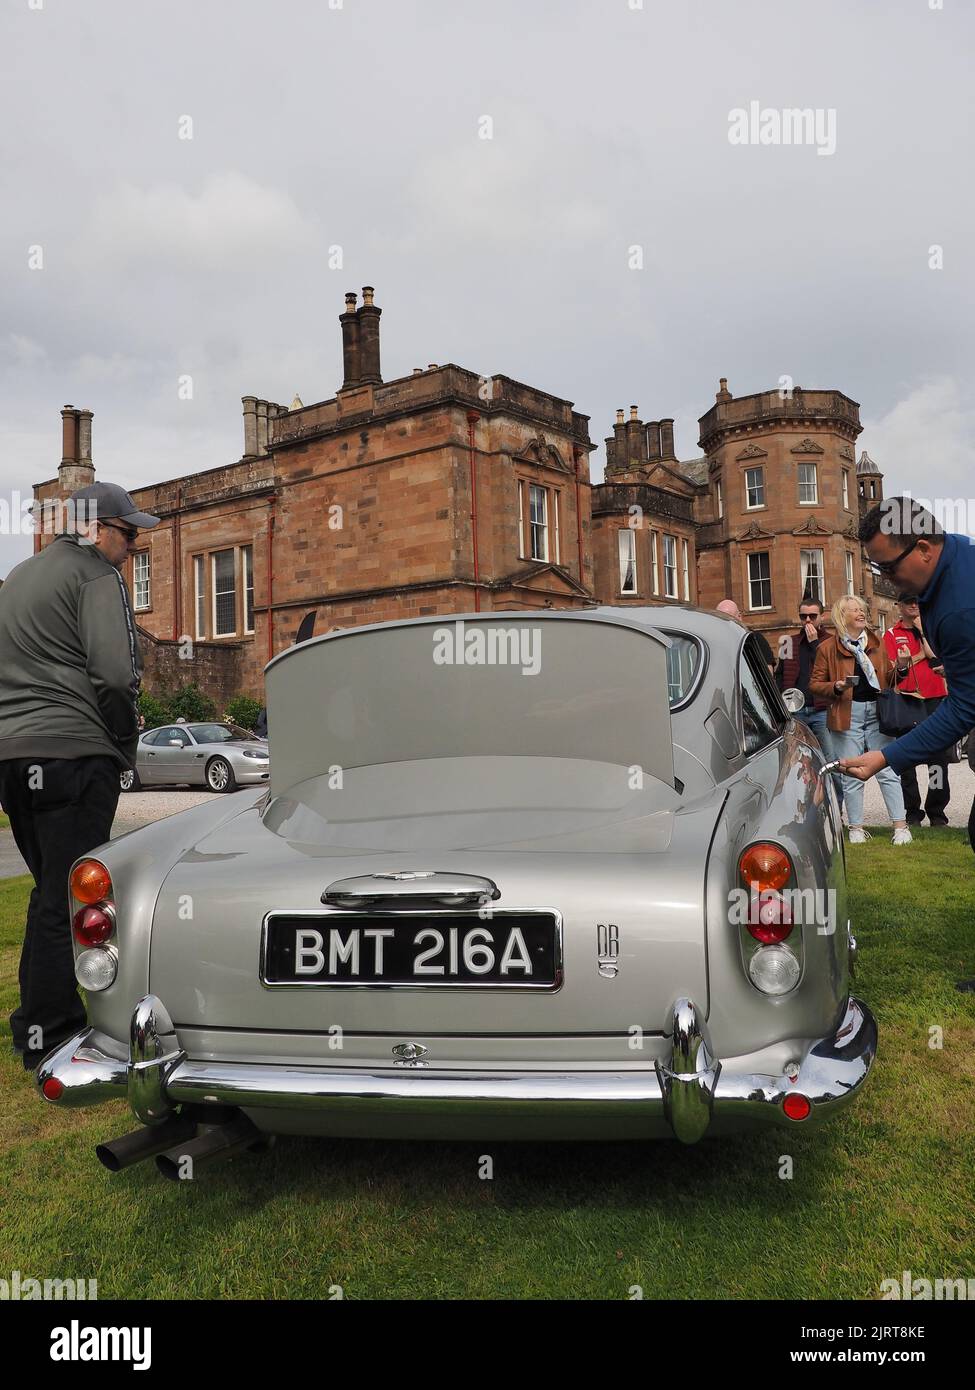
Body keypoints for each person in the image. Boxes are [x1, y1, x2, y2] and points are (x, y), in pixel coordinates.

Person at [0, 481, 159, 1069]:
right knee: (70, 897)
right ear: (96, 530)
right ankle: (51, 1030)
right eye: (128, 532)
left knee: (49, 892)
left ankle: (38, 1023)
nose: (133, 545)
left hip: (15, 757)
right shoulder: (95, 575)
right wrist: (122, 740)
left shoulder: (19, 576)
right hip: (71, 751)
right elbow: (115, 675)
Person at [841, 497, 975, 990]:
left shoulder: (959, 605)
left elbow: (964, 710)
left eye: (888, 567)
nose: (885, 579)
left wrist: (885, 757)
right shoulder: (956, 560)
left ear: (922, 547)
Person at [809, 595, 912, 845]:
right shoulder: (827, 648)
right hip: (847, 713)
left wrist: (900, 666)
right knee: (852, 772)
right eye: (854, 610)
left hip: (879, 711)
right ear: (842, 617)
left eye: (862, 609)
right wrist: (837, 685)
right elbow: (814, 685)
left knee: (887, 768)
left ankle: (901, 827)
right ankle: (855, 828)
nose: (861, 613)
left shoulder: (876, 643)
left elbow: (889, 678)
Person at [882, 593, 950, 827]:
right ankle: (912, 811)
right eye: (908, 602)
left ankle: (936, 811)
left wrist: (923, 631)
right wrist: (919, 655)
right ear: (899, 606)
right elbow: (893, 666)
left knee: (937, 759)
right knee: (906, 759)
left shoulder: (932, 628)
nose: (914, 605)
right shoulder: (892, 634)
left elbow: (935, 656)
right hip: (908, 700)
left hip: (934, 698)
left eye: (917, 602)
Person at [776, 596, 829, 744]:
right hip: (795, 710)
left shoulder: (830, 641)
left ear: (822, 617)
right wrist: (781, 703)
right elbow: (779, 674)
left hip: (821, 711)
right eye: (803, 616)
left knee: (829, 754)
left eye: (812, 616)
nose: (807, 620)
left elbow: (830, 670)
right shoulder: (788, 642)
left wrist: (814, 644)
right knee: (795, 757)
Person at [716, 598, 776, 675]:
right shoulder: (715, 642)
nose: (724, 623)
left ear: (739, 616)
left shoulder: (754, 639)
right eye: (720, 619)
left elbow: (768, 673)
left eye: (728, 618)